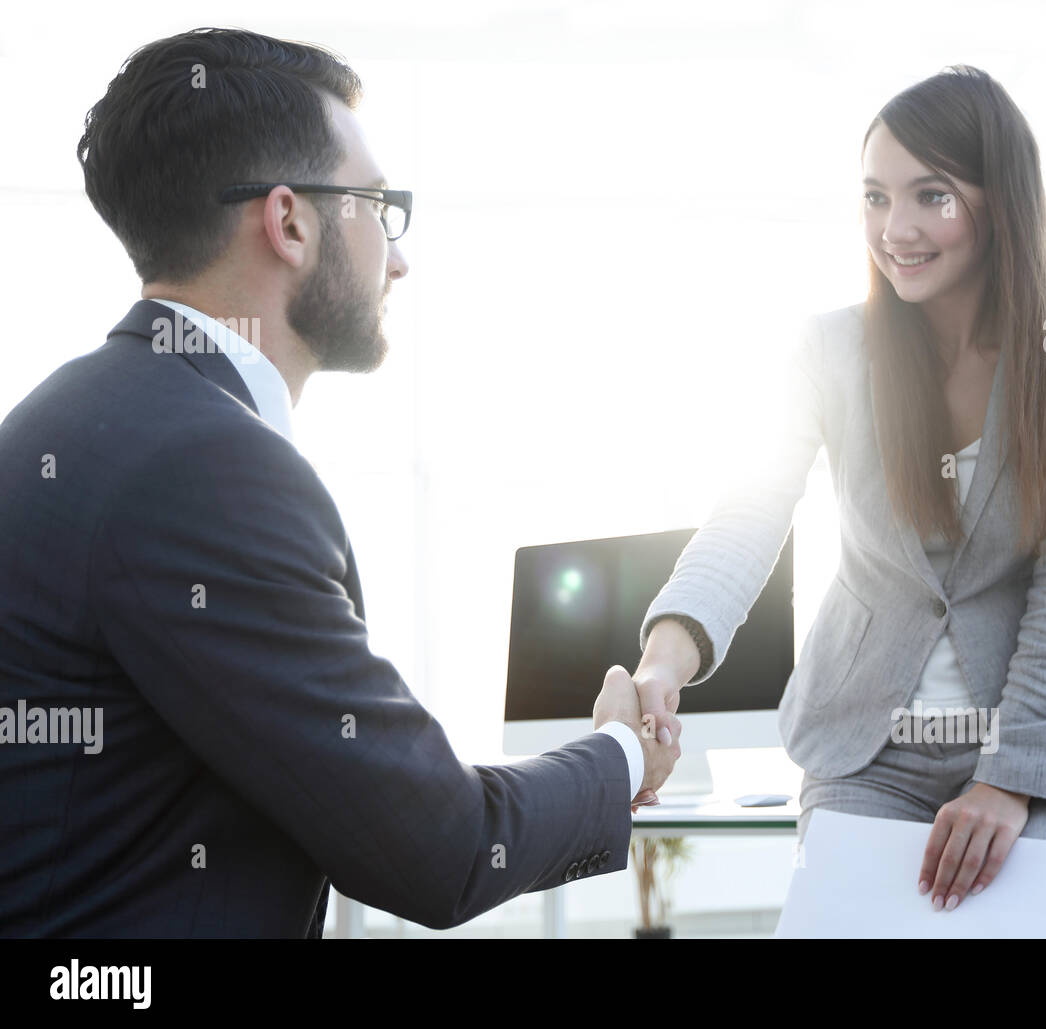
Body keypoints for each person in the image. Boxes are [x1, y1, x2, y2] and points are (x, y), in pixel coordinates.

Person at [0, 27, 679, 937]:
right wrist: (623, 755)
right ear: (289, 221)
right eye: (378, 205)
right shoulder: (206, 467)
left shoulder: (72, 418)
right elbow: (438, 846)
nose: (399, 258)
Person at [619, 65, 1046, 938]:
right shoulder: (829, 349)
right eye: (876, 197)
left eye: (930, 196)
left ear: (1002, 202)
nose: (896, 229)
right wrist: (663, 660)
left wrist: (1009, 778)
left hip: (1043, 755)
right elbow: (748, 516)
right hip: (868, 754)